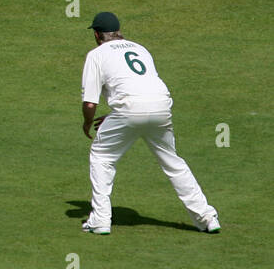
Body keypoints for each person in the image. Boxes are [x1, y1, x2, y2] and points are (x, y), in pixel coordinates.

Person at [80, 12, 220, 235]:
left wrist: (88, 123)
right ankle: (206, 217)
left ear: (97, 34)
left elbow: (89, 103)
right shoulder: (139, 48)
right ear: (118, 31)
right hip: (160, 106)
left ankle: (100, 220)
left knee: (101, 157)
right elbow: (142, 87)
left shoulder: (96, 55)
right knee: (173, 163)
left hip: (129, 110)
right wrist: (118, 115)